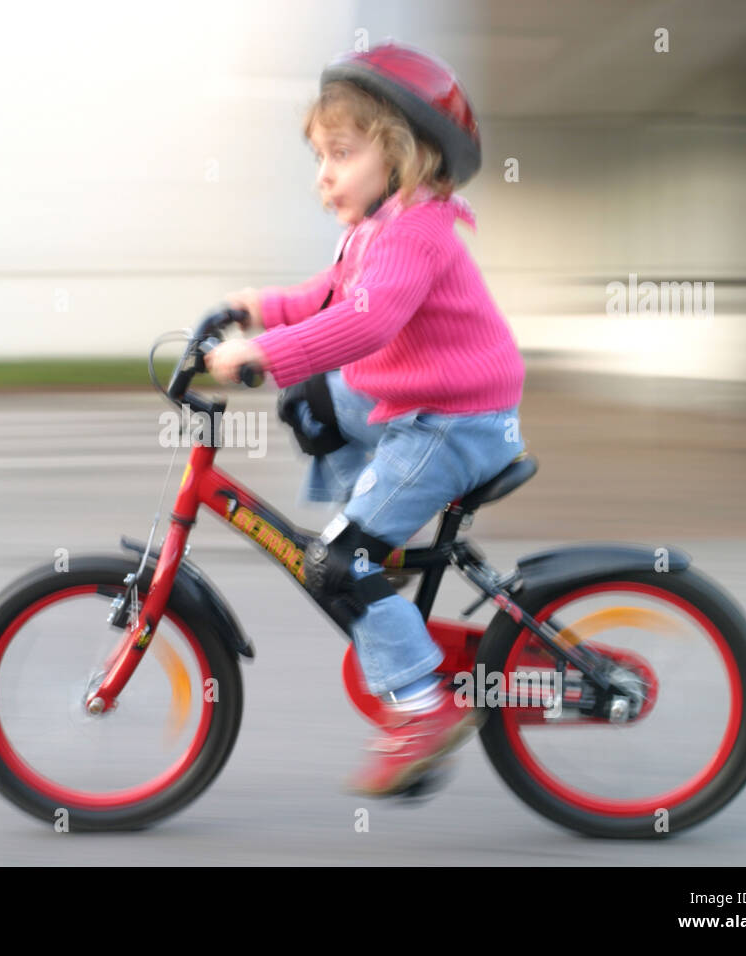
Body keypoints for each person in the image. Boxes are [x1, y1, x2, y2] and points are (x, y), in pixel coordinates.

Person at [205, 41, 528, 797]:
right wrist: (257, 307)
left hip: (453, 423)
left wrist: (266, 353)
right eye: (319, 156)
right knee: (316, 402)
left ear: (402, 153)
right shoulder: (380, 230)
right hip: (426, 406)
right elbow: (329, 294)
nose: (323, 174)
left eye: (341, 153)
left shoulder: (418, 231)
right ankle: (373, 540)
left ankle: (420, 707)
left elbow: (367, 320)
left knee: (334, 563)